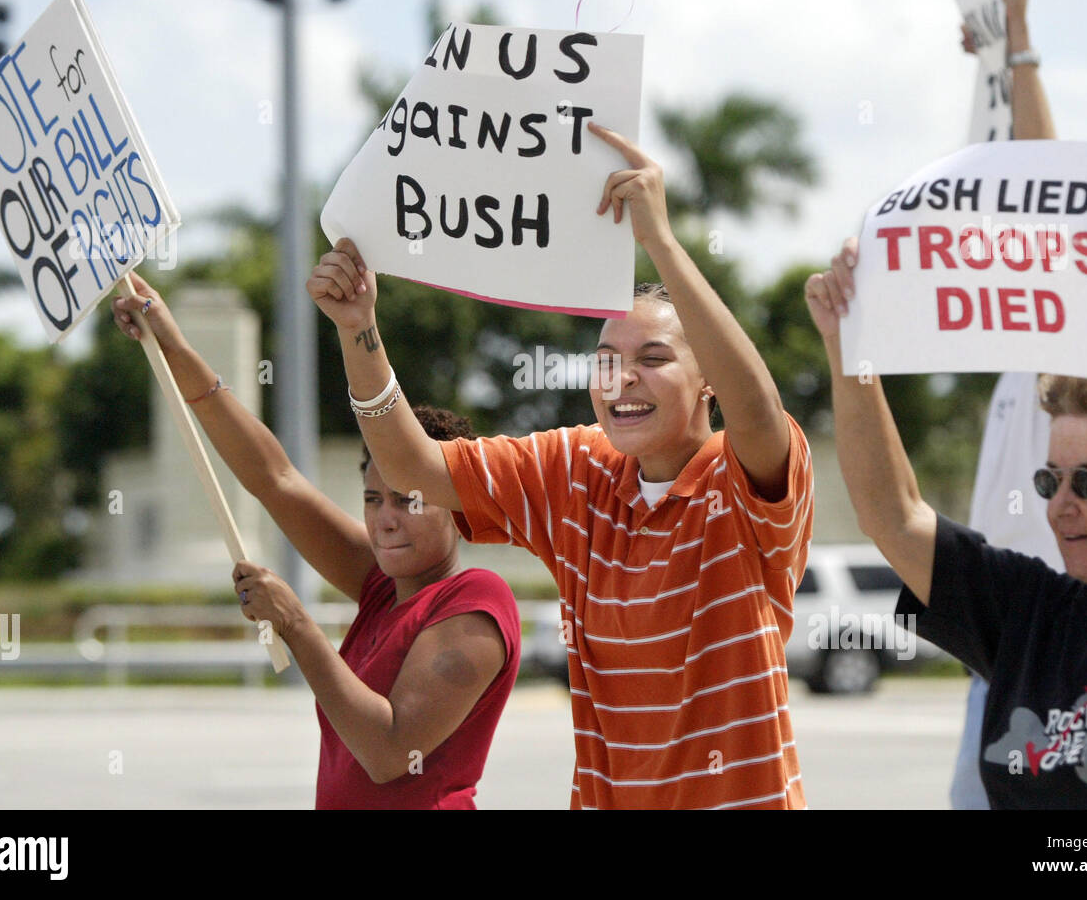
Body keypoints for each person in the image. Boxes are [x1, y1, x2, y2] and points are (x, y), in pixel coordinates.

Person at [306, 122, 815, 809]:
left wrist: (660, 243)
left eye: (654, 358)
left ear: (708, 382)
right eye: (606, 361)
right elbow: (409, 461)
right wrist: (357, 328)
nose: (621, 379)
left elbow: (757, 410)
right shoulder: (575, 471)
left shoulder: (745, 479)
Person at [806, 218, 1087, 808]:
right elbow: (892, 516)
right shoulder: (1032, 611)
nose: (1060, 505)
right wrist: (851, 348)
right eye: (1049, 480)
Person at [111, 275, 520, 809]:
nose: (386, 520)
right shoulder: (382, 587)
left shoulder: (477, 600)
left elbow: (390, 750)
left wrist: (297, 625)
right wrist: (173, 347)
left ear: (458, 503)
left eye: (409, 500)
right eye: (373, 500)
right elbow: (273, 477)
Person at [952, 0, 1065, 810]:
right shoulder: (1012, 377)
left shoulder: (1060, 361)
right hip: (1000, 659)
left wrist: (1017, 35)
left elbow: (1043, 179)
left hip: (1054, 656)